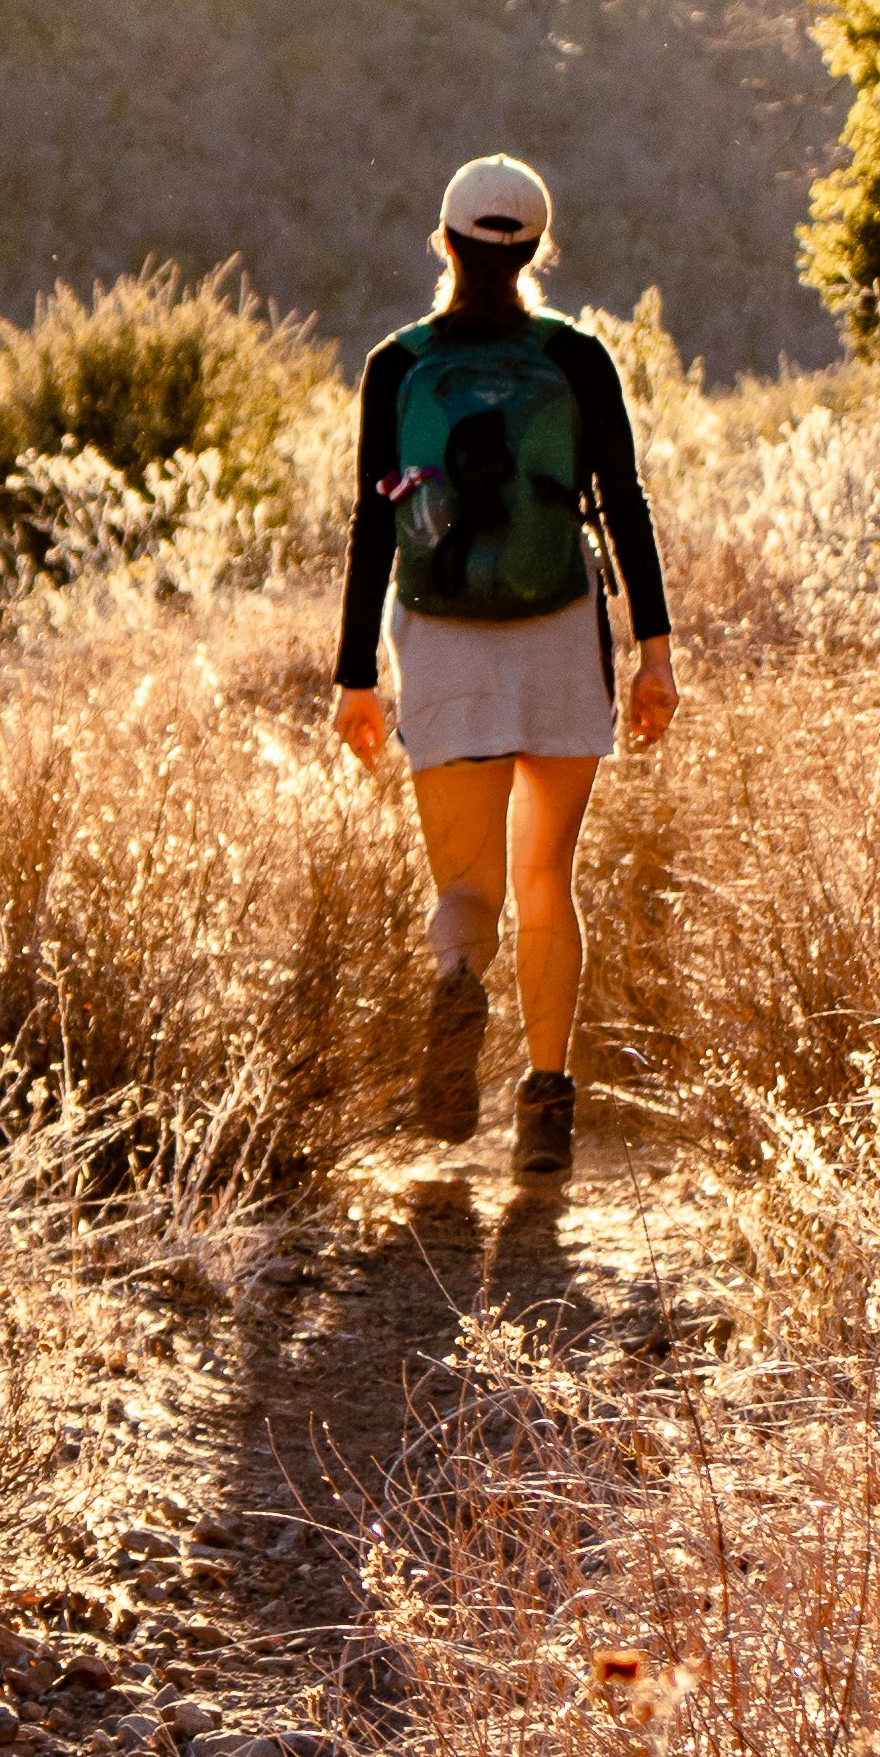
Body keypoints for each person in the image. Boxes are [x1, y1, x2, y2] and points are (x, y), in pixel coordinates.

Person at [333, 153, 676, 1172]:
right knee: (546, 877)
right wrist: (655, 654)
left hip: (440, 643)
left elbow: (371, 524)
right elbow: (623, 503)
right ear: (535, 248)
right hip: (560, 636)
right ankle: (544, 1108)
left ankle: (454, 977)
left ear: (443, 242)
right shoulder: (575, 358)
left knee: (469, 887)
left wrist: (354, 675)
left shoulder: (398, 364)